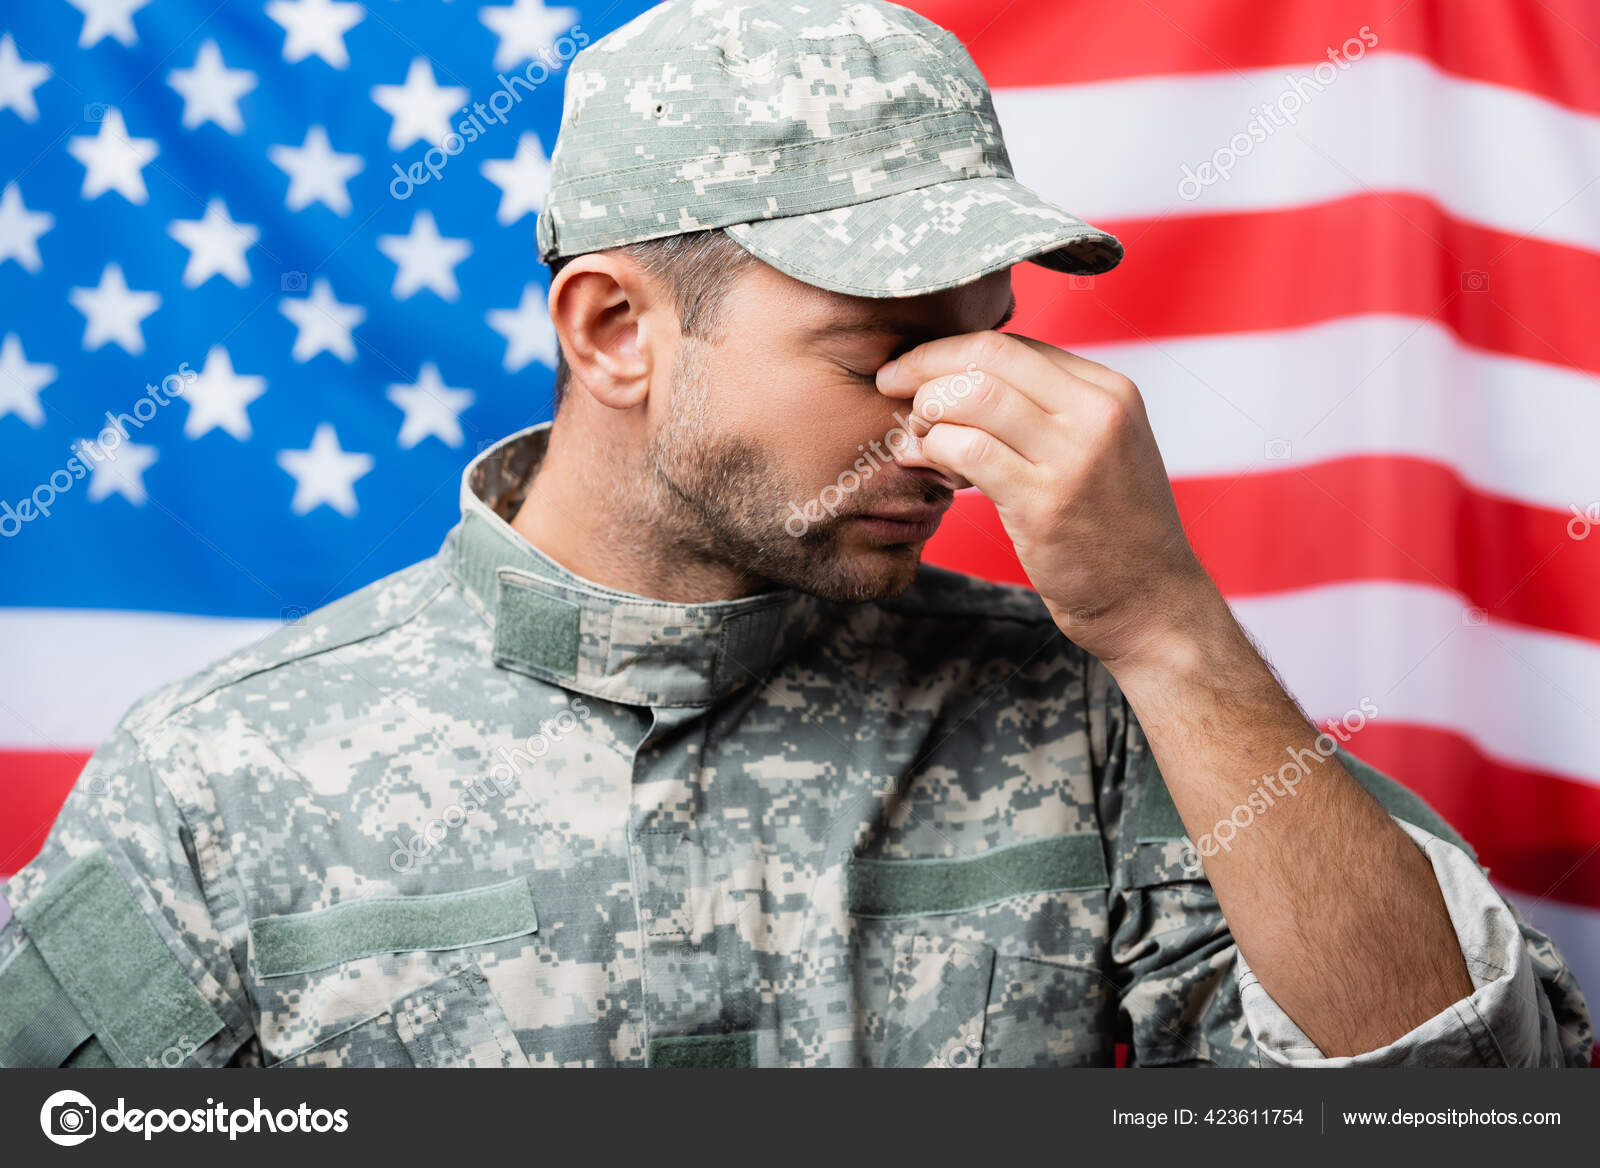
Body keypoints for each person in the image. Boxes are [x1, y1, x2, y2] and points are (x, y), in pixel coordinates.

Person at [0, 0, 1589, 1069]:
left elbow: (1461, 1106)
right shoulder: (218, 780)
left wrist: (1170, 632)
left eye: (984, 341)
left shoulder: (1099, 716)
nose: (953, 420)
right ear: (615, 329)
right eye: (875, 349)